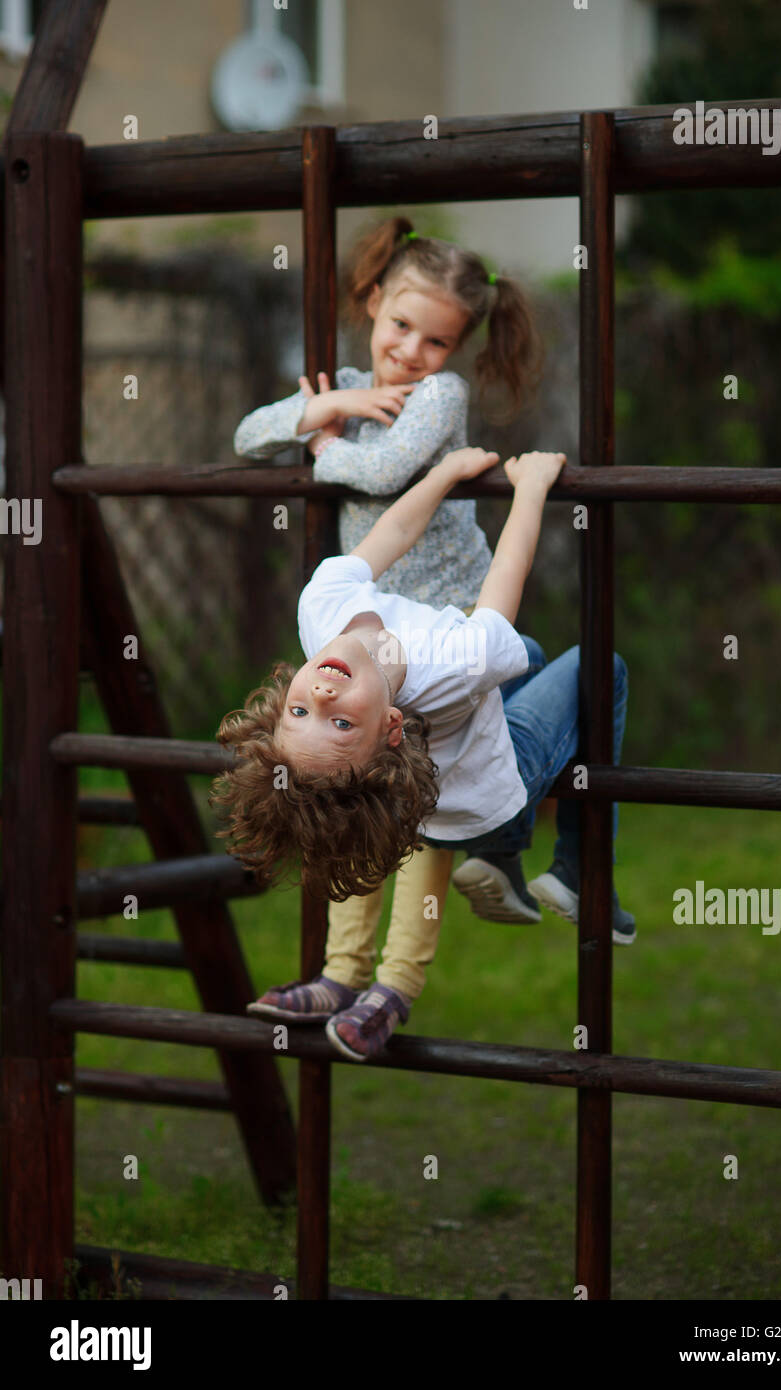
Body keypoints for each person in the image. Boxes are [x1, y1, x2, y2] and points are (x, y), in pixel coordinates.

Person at [210, 446, 634, 1064]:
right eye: (340, 719)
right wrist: (532, 486)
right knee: (602, 666)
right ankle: (579, 866)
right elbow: (505, 580)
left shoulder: (320, 610)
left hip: (448, 807)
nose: (322, 693)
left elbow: (394, 532)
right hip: (504, 785)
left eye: (302, 712)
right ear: (391, 727)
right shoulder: (456, 661)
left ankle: (502, 865)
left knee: (531, 654)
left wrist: (442, 475)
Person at [231, 215, 546, 1038]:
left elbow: (382, 470)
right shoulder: (351, 385)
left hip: (435, 643)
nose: (410, 353)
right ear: (372, 303)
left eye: (436, 342)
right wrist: (331, 403)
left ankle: (396, 985)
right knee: (350, 802)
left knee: (421, 820)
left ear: (456, 352)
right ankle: (340, 974)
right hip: (369, 636)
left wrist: (323, 445)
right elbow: (247, 436)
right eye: (401, 326)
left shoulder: (440, 398)